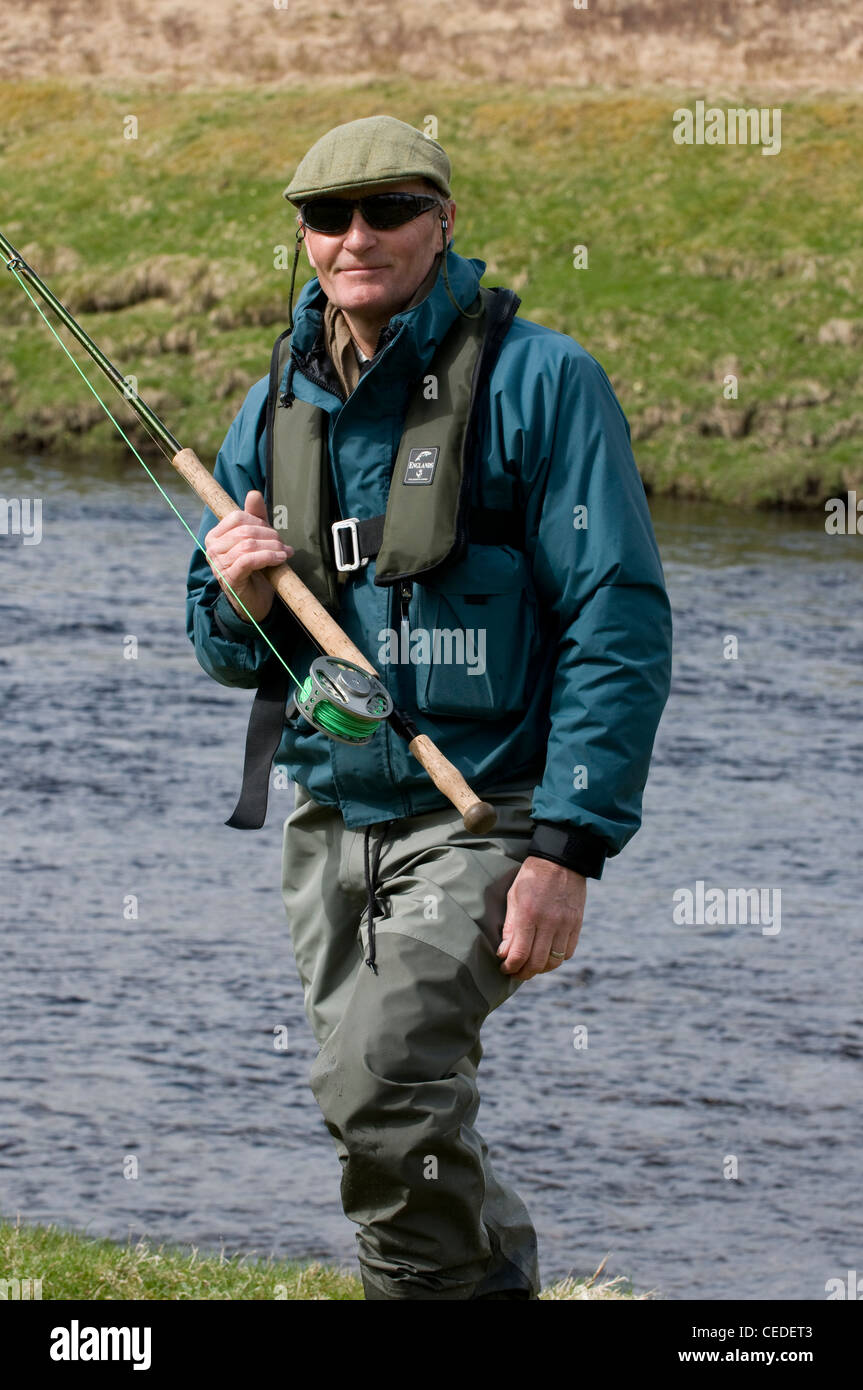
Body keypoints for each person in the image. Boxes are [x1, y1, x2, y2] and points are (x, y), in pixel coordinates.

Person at [186, 115, 673, 1301]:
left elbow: (619, 619)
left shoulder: (543, 382)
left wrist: (568, 845)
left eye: (388, 209)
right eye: (326, 215)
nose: (356, 236)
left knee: (377, 1078)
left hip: (486, 814)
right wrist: (239, 592)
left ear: (442, 219)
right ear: (302, 237)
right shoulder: (275, 400)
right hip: (326, 821)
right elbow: (215, 643)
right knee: (385, 1109)